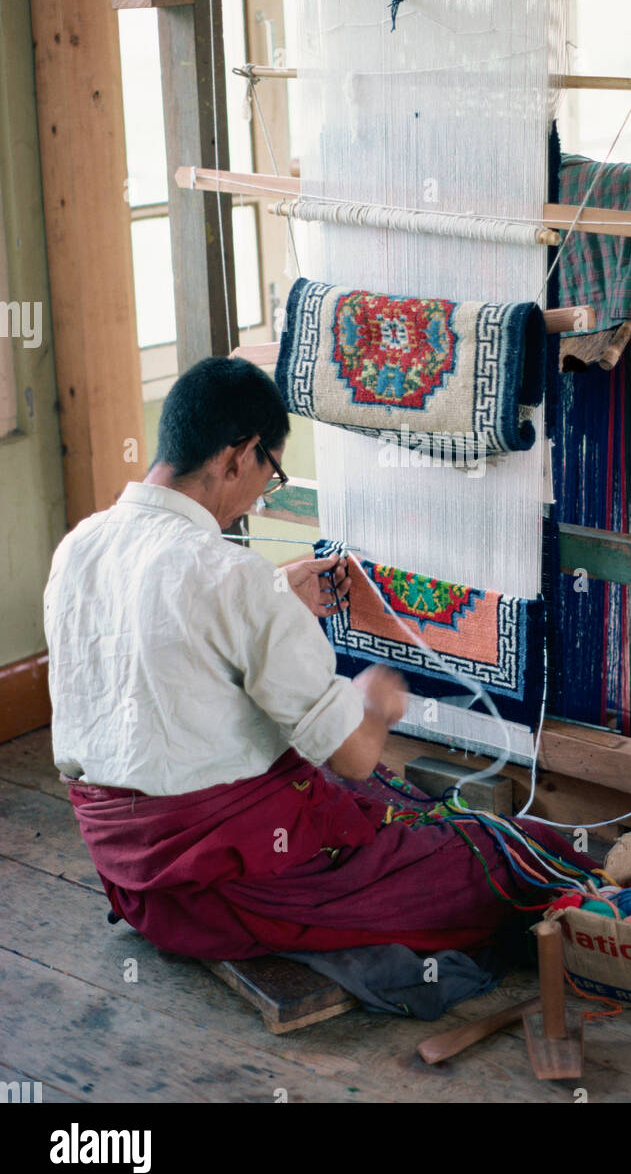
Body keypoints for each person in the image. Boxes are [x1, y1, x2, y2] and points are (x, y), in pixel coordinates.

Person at [45, 356, 594, 963]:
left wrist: (273, 595)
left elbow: (162, 628)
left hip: (138, 880)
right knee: (505, 860)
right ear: (238, 456)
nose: (260, 496)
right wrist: (377, 701)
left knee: (389, 804)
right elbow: (356, 757)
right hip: (234, 886)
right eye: (271, 474)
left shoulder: (80, 545)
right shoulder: (235, 580)